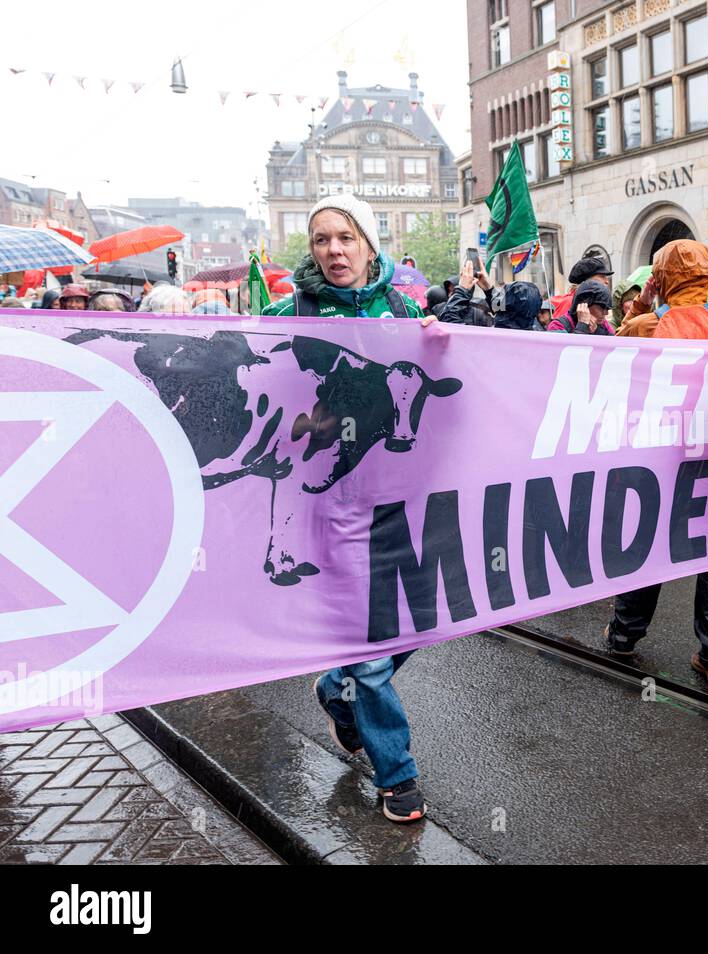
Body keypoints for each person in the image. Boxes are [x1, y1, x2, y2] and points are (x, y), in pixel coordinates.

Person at [263, 193, 429, 825]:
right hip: (327, 499)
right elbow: (248, 369)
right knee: (369, 642)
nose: (334, 250)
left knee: (424, 617)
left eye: (345, 238)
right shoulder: (288, 310)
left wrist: (442, 342)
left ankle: (335, 691)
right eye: (321, 240)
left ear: (369, 242)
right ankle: (398, 774)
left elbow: (439, 383)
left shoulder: (405, 308)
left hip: (399, 494)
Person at [604, 240, 708, 687]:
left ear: (661, 277)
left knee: (650, 550)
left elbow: (606, 363)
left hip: (660, 461)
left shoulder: (647, 326)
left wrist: (642, 303)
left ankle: (624, 637)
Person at [549, 255, 614, 326]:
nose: (607, 281)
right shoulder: (569, 301)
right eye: (602, 276)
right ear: (587, 280)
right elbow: (561, 333)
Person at [547, 278, 615, 334]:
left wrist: (598, 331)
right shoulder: (557, 325)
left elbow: (613, 345)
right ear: (584, 305)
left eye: (607, 308)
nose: (606, 313)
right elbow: (564, 349)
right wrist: (582, 327)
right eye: (601, 308)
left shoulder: (603, 324)